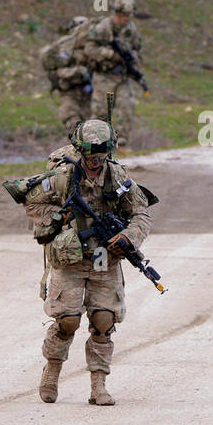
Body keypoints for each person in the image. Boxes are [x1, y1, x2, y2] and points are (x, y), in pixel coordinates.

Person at [16, 118, 156, 406]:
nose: (95, 162)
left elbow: (141, 213)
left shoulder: (117, 176)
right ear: (81, 151)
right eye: (90, 156)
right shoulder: (64, 175)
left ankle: (98, 384)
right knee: (67, 320)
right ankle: (52, 371)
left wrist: (129, 238)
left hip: (107, 258)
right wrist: (61, 219)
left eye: (100, 156)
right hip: (70, 259)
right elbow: (32, 201)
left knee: (103, 320)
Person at [77, 0, 146, 148]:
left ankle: (121, 143)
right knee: (101, 111)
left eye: (129, 15)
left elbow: (137, 49)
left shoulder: (131, 31)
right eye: (124, 15)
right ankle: (91, 144)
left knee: (126, 107)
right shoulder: (102, 28)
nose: (126, 19)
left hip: (122, 77)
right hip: (104, 76)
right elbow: (89, 49)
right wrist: (110, 55)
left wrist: (133, 58)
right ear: (117, 13)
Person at [42, 16, 94, 134]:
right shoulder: (65, 46)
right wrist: (78, 71)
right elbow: (59, 70)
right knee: (71, 120)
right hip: (69, 90)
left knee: (91, 124)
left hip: (89, 91)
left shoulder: (91, 46)